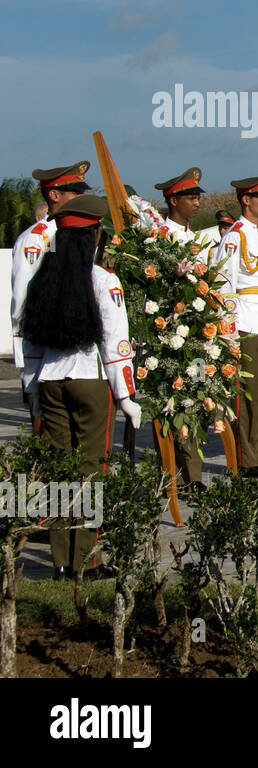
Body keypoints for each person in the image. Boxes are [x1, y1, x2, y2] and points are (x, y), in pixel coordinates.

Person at [19, 195, 142, 579]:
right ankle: (85, 561)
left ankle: (59, 561)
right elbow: (114, 343)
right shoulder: (104, 280)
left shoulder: (44, 278)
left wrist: (32, 390)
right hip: (90, 382)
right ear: (94, 237)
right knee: (91, 471)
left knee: (58, 472)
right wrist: (126, 395)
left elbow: (31, 340)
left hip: (51, 383)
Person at [215, 174, 258, 475]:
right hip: (243, 320)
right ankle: (245, 458)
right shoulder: (235, 236)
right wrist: (228, 333)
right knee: (247, 392)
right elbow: (223, 285)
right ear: (246, 199)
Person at [154, 167, 210, 489]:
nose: (197, 203)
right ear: (173, 199)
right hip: (169, 337)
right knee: (170, 402)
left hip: (198, 340)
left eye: (198, 197)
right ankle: (172, 474)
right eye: (191, 197)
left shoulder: (195, 239)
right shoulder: (158, 237)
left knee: (197, 397)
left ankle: (193, 475)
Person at [11, 161, 92, 371]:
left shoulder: (80, 232)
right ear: (54, 196)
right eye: (75, 192)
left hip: (75, 341)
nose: (81, 198)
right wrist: (26, 353)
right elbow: (23, 293)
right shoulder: (36, 238)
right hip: (41, 343)